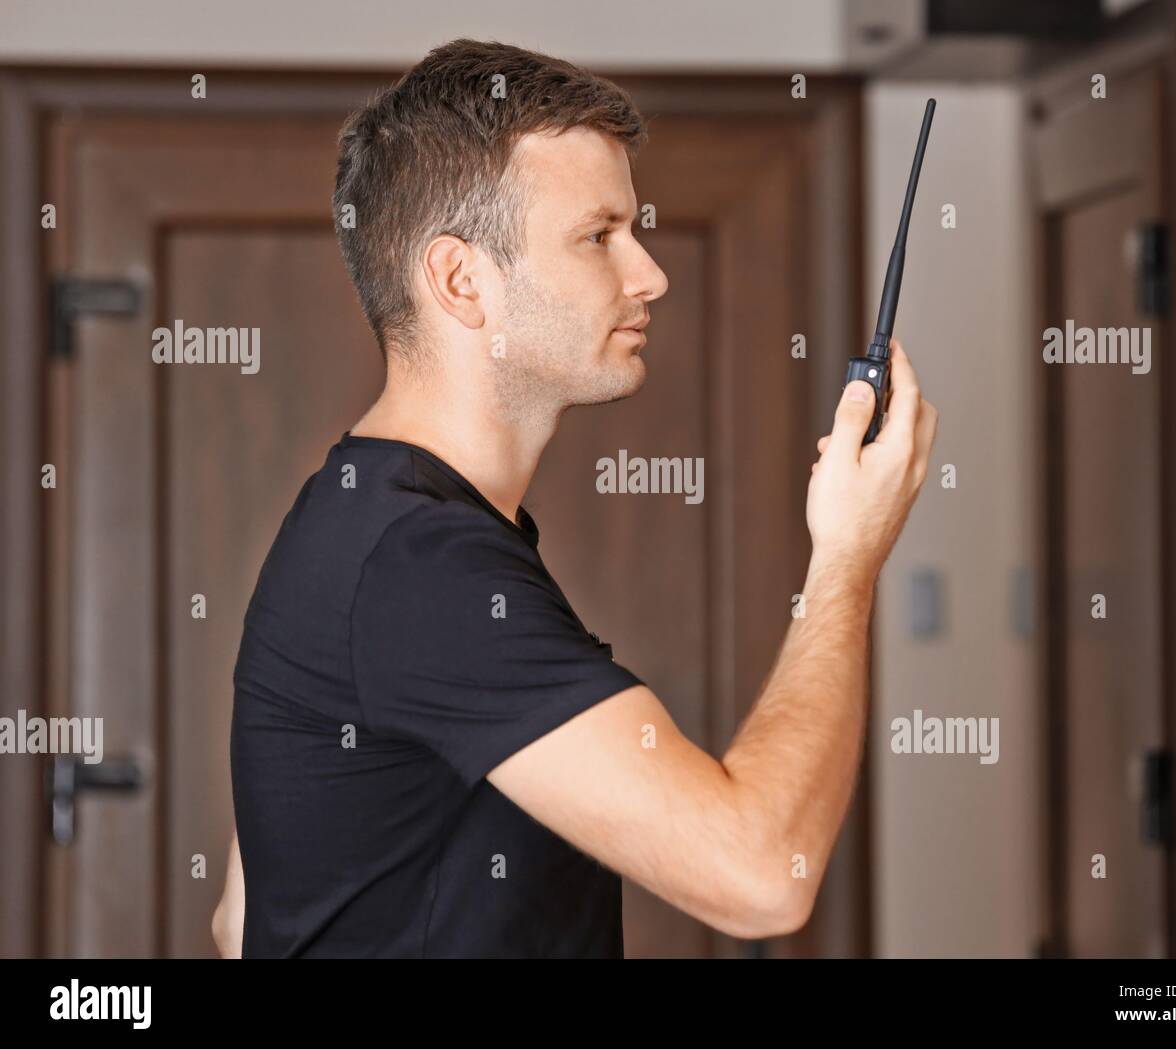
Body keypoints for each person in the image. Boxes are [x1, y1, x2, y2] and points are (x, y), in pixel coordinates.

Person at [212, 37, 937, 958]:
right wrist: (847, 555)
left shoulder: (362, 519)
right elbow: (763, 876)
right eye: (599, 236)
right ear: (461, 280)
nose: (650, 275)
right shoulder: (419, 564)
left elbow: (242, 918)